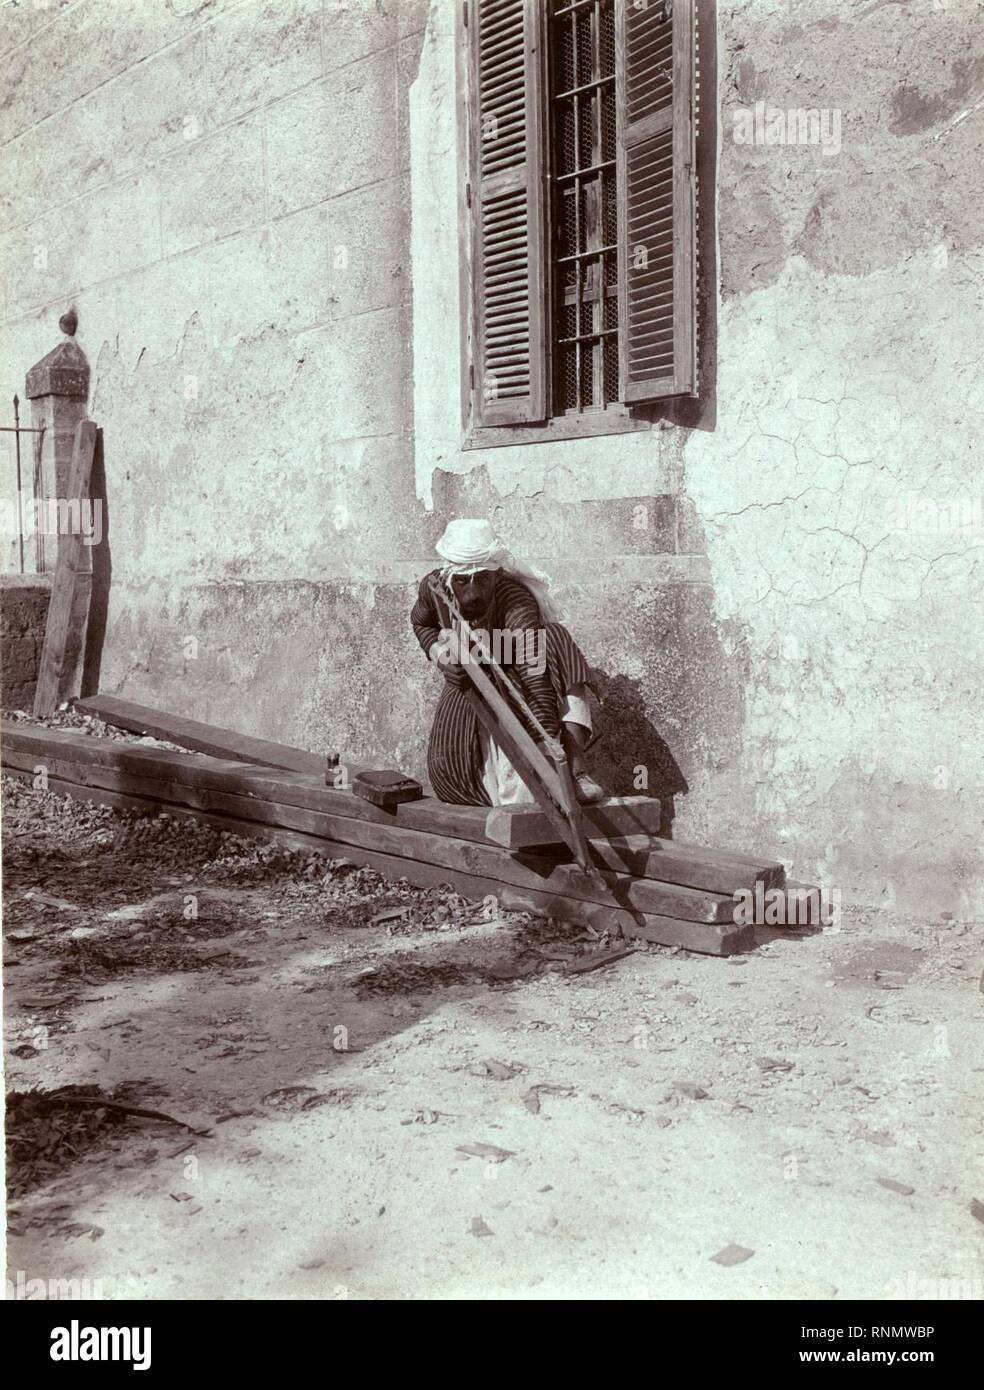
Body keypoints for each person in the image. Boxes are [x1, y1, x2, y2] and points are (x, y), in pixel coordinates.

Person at [410, 517, 605, 807]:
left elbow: (535, 675)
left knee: (555, 638)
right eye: (463, 582)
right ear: (450, 575)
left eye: (482, 580)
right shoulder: (435, 588)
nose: (473, 593)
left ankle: (574, 770)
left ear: (497, 574)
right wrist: (441, 656)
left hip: (519, 695)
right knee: (454, 775)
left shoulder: (514, 600)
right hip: (470, 699)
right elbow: (421, 623)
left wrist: (549, 753)